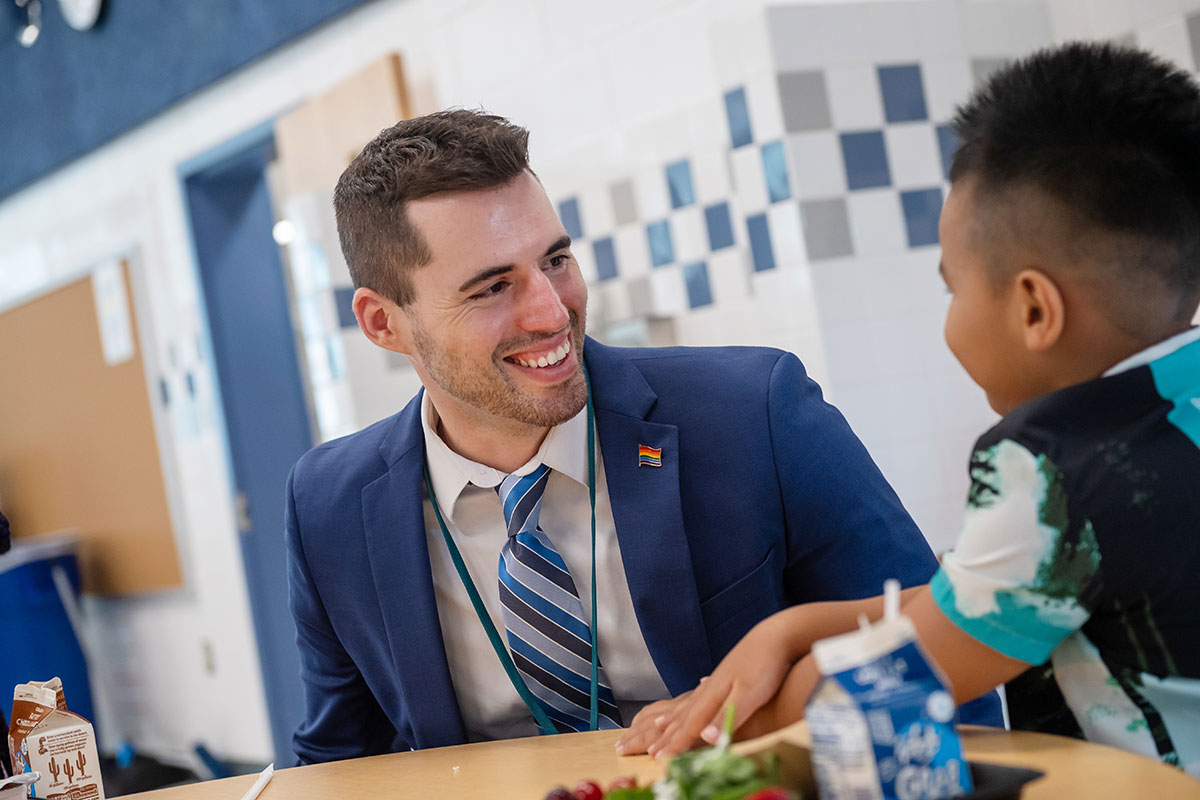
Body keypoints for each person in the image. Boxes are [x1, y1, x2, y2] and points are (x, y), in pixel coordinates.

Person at [284, 109, 1002, 764]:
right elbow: (339, 760)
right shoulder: (329, 507)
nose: (551, 312)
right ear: (384, 324)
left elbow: (938, 653)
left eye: (556, 260)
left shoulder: (757, 412)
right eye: (492, 288)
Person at [621, 42, 1200, 776]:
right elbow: (976, 601)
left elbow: (887, 682)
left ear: (1033, 309)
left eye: (953, 287)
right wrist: (795, 623)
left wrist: (731, 709)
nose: (949, 315)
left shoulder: (1055, 472)